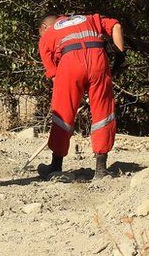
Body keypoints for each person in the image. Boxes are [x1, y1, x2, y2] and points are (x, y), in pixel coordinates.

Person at [37, 13, 125, 180]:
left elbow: (50, 64)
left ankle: (55, 166)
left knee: (62, 113)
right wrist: (120, 56)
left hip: (69, 62)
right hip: (98, 59)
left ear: (44, 27)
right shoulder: (91, 18)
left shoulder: (51, 31)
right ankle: (101, 169)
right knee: (103, 113)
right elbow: (117, 26)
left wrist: (65, 82)